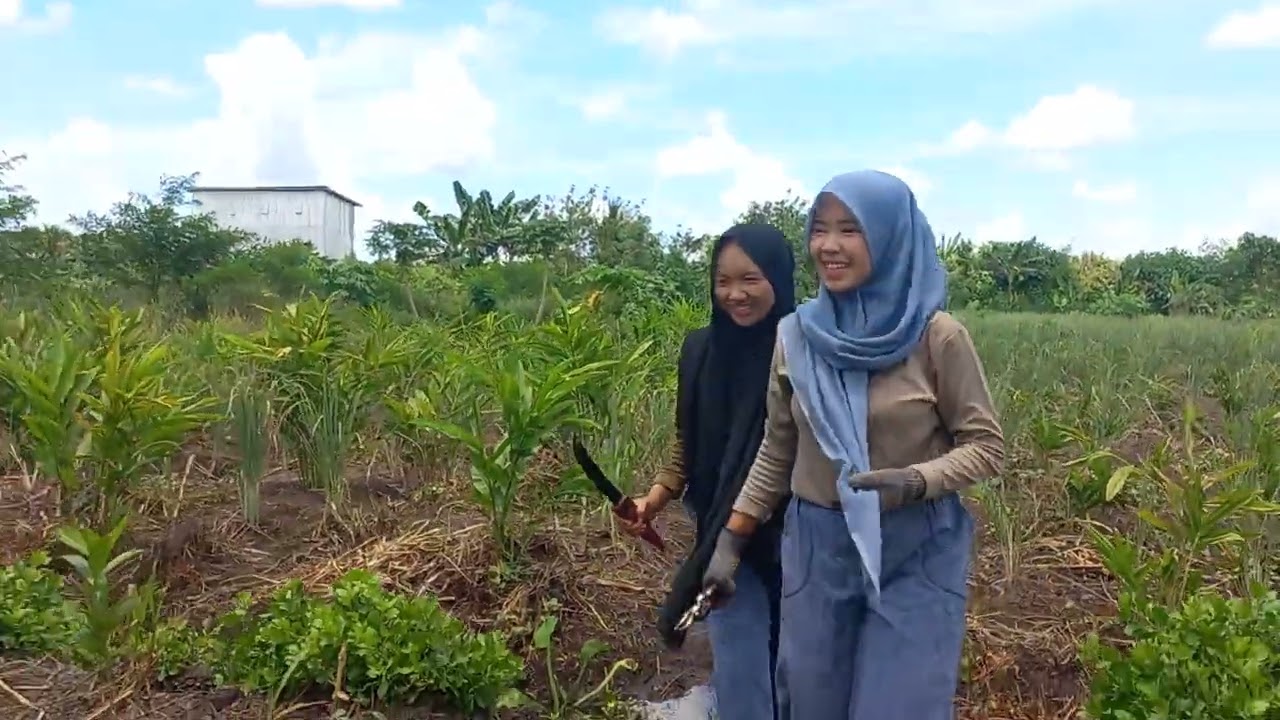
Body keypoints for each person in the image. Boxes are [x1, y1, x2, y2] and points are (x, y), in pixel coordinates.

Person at [701, 170, 1005, 719]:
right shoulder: (796, 337)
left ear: (890, 237)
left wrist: (917, 480)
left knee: (897, 706)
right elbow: (777, 452)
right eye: (819, 229)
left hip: (916, 547)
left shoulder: (937, 336)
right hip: (819, 547)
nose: (829, 246)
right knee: (815, 703)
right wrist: (729, 544)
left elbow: (985, 446)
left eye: (850, 230)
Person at [621, 223, 796, 720]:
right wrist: (653, 499)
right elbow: (687, 444)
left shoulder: (804, 348)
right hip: (723, 538)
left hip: (796, 534)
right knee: (741, 666)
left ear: (779, 280)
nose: (735, 294)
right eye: (723, 281)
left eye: (751, 280)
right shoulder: (700, 350)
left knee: (796, 669)